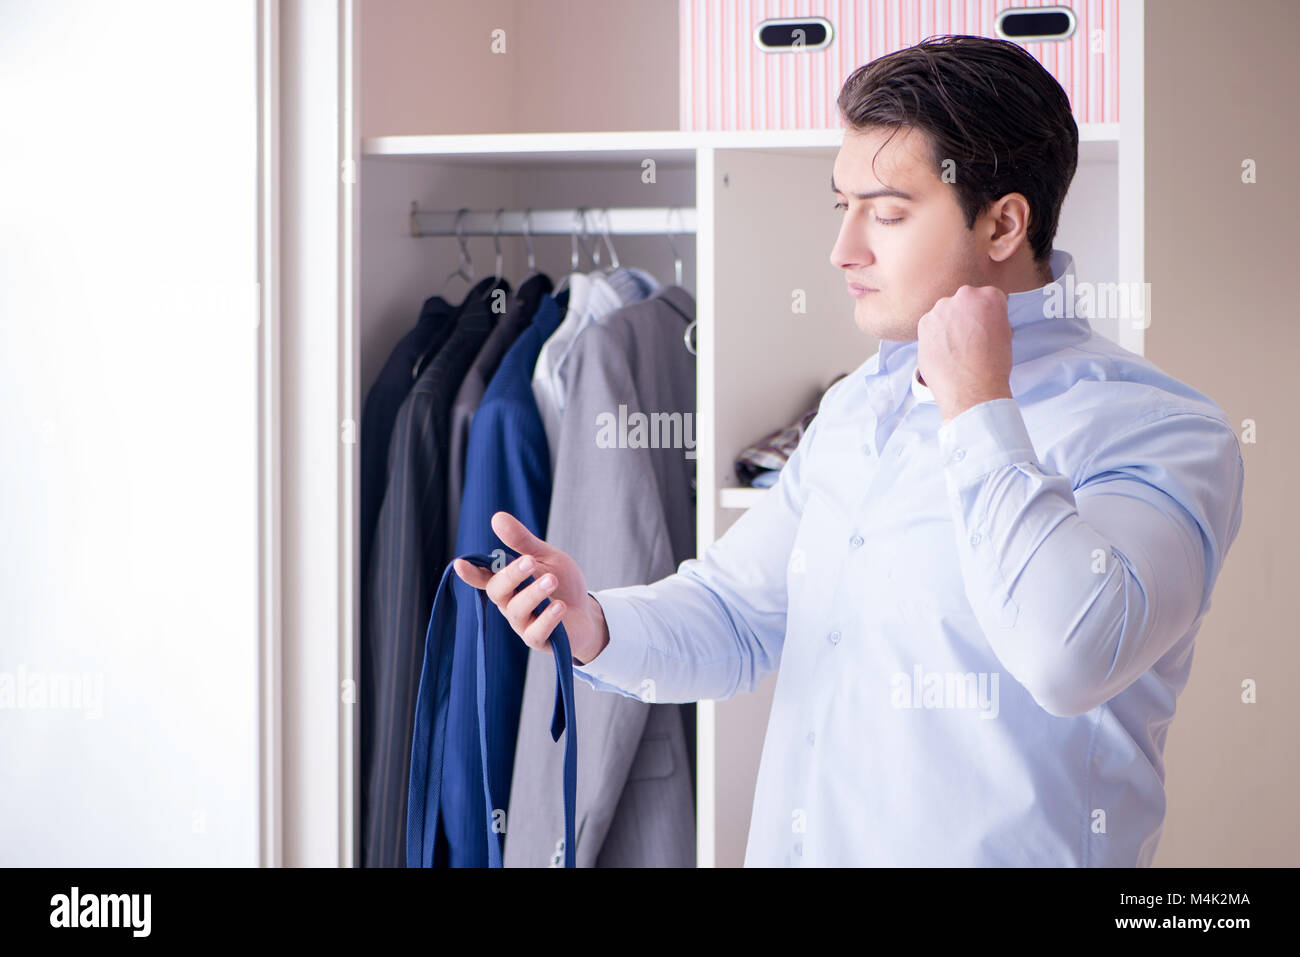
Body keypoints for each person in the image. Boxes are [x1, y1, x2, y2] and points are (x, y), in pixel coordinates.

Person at [453, 35, 1245, 866]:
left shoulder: (1161, 429)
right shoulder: (855, 405)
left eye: (888, 212)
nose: (844, 250)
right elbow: (738, 615)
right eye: (844, 207)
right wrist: (597, 624)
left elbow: (1070, 656)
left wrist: (978, 405)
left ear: (1005, 222)